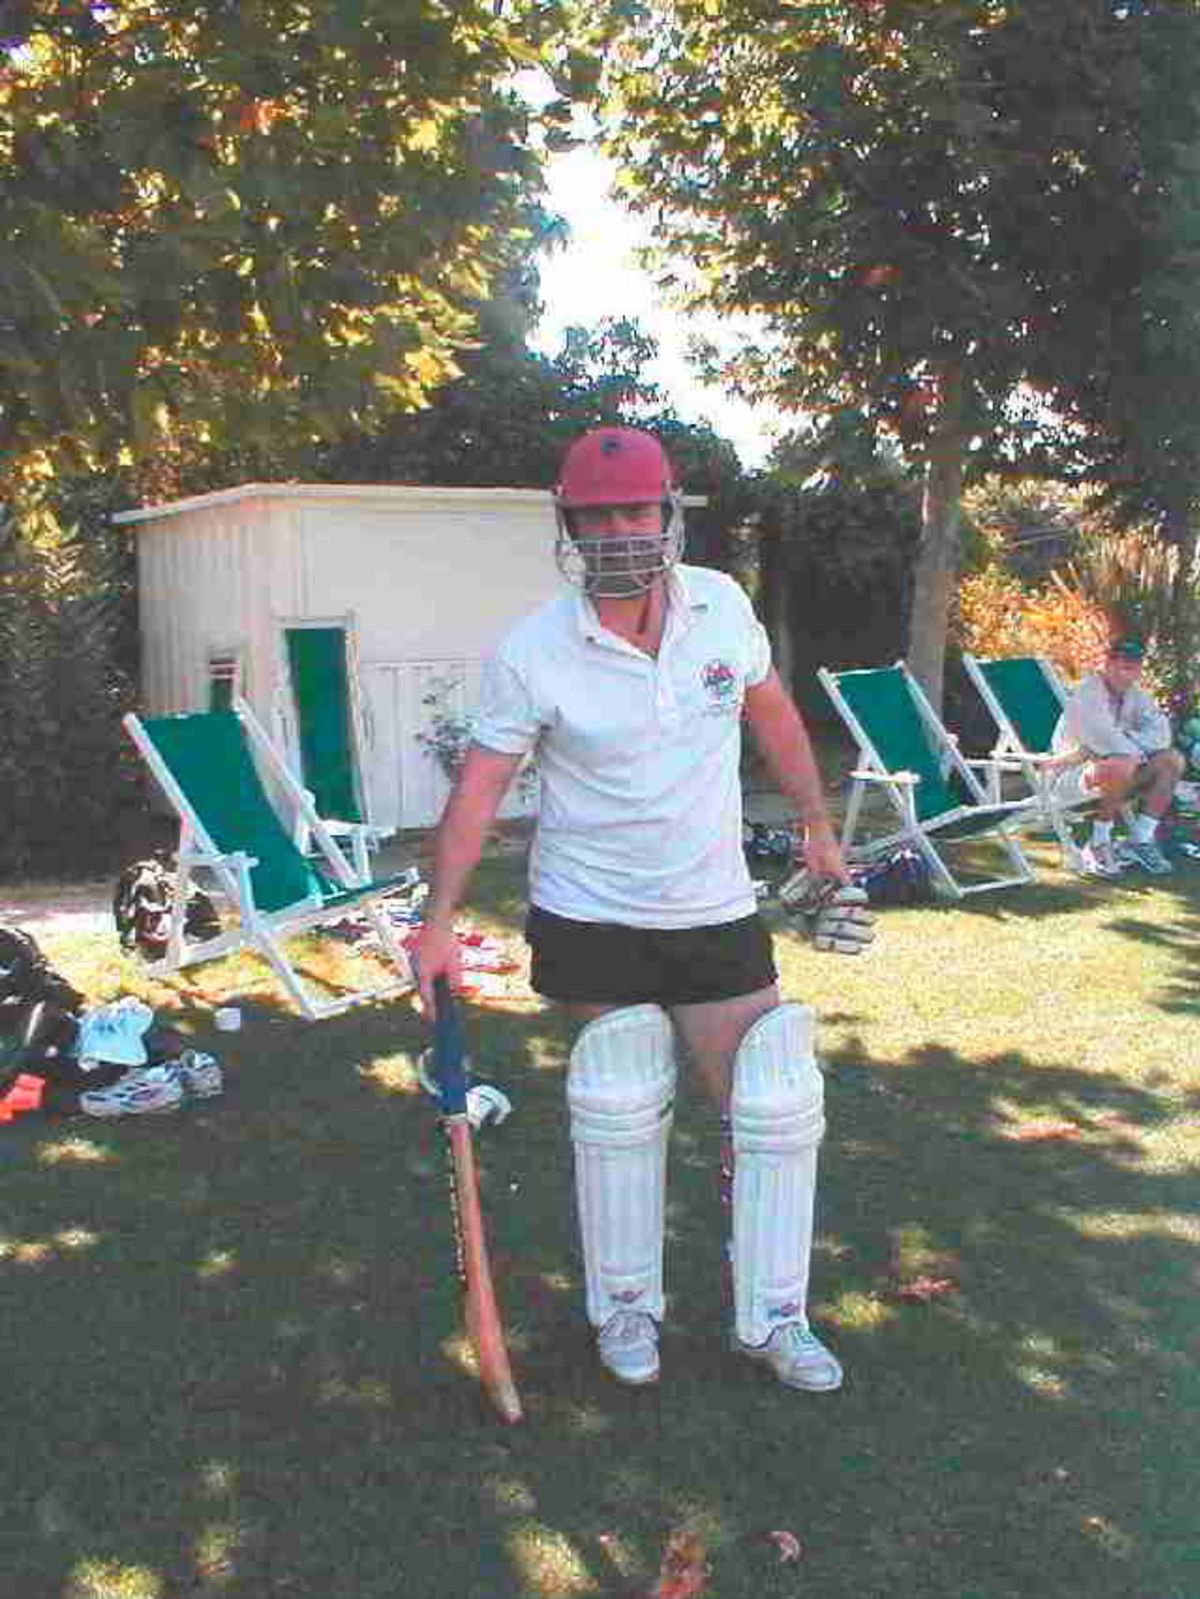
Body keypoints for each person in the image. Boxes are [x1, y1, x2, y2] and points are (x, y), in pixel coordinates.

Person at [410, 425, 866, 1393]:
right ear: (569, 525)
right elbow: (482, 790)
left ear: (668, 515)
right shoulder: (535, 649)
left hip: (711, 908)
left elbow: (774, 713)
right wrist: (439, 920)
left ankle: (775, 1317)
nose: (620, 530)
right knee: (619, 1105)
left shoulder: (721, 607)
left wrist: (820, 828)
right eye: (598, 514)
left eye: (636, 510)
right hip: (591, 915)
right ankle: (625, 1311)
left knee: (771, 1104)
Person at [1051, 636, 1185, 877]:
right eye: (1123, 667)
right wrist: (1131, 746)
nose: (1128, 675)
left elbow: (1161, 734)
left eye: (1133, 669)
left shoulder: (1137, 696)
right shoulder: (1086, 694)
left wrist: (1127, 739)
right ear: (1108, 663)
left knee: (1172, 759)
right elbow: (1105, 740)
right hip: (1069, 777)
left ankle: (1140, 841)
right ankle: (1098, 843)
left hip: (1118, 771)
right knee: (1122, 764)